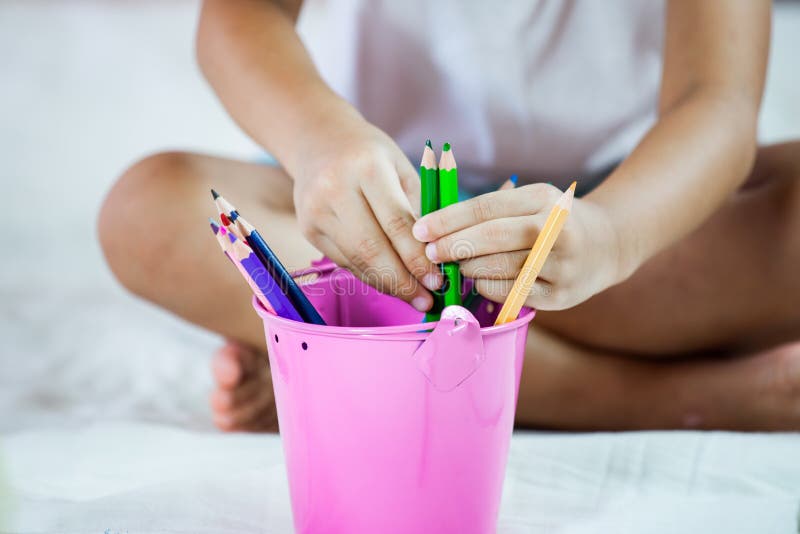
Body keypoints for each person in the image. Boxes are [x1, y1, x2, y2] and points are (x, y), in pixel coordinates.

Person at [98, 0, 800, 432]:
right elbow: (240, 12)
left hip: (626, 208)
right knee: (148, 210)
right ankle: (664, 397)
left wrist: (612, 235)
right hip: (373, 219)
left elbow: (717, 102)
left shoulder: (616, 223)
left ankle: (360, 375)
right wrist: (317, 141)